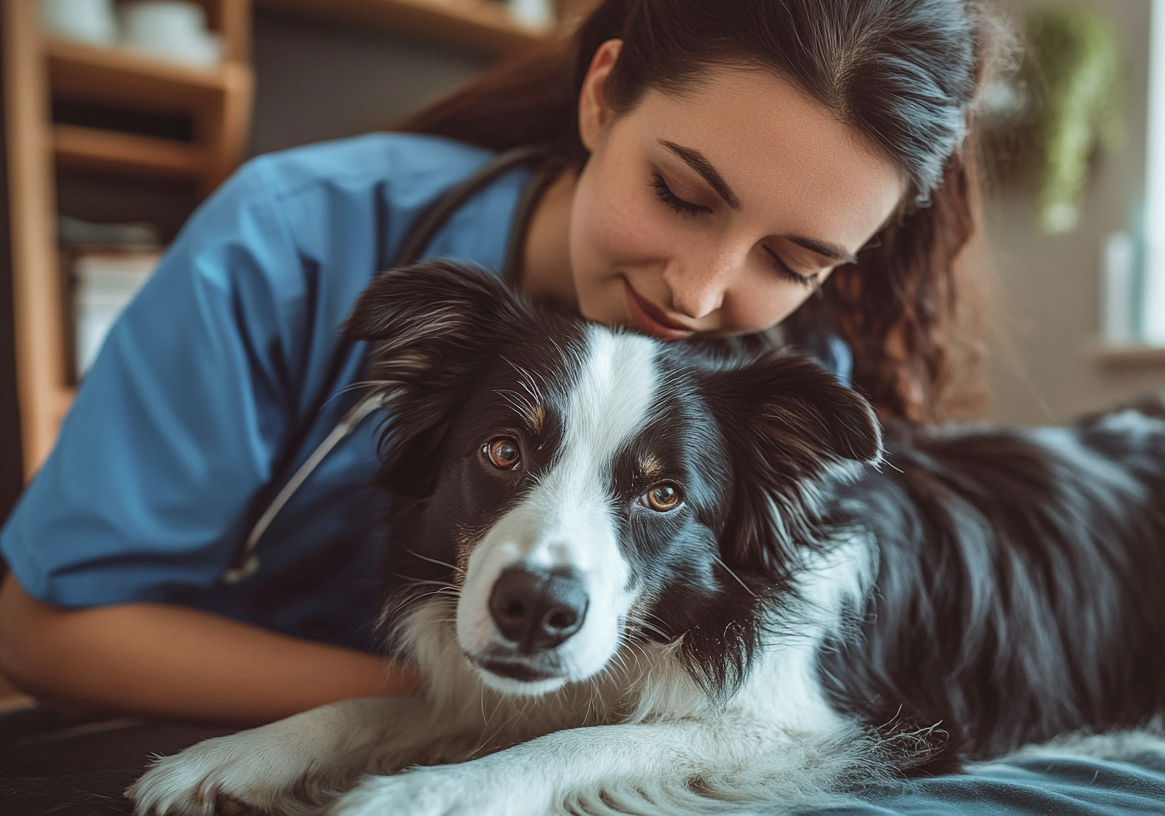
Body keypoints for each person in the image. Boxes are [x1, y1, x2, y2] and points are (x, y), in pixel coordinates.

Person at [0, 0, 1006, 725]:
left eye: (791, 260)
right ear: (604, 96)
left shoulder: (785, 382)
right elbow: (44, 633)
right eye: (681, 194)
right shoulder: (288, 246)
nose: (697, 294)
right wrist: (453, 701)